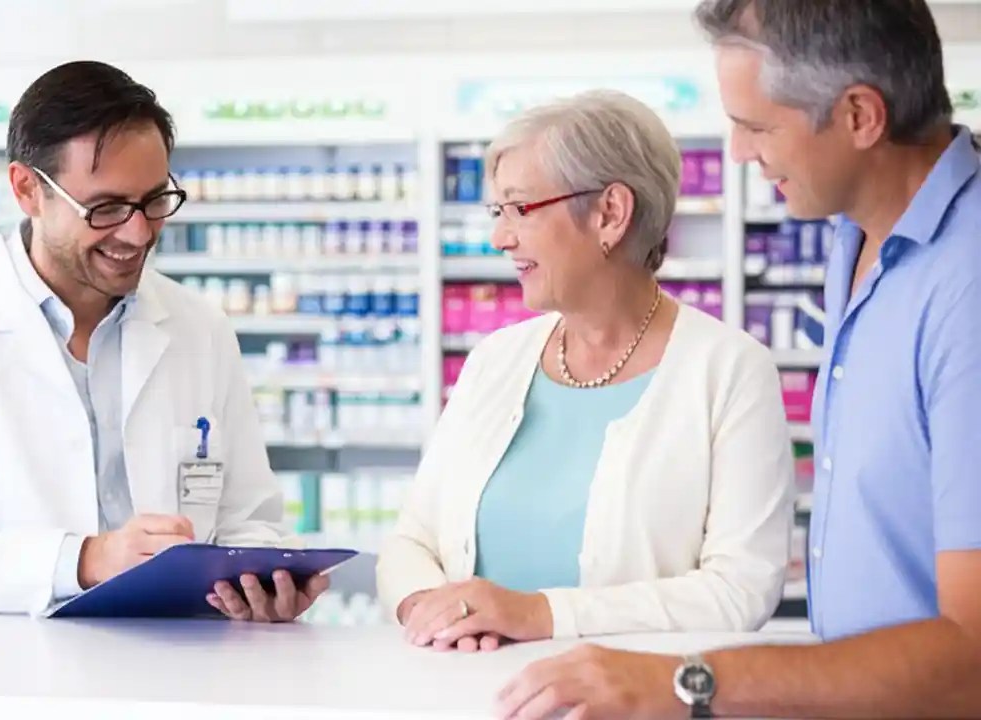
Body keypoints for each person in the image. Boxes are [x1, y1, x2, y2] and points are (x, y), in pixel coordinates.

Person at [494, 2, 981, 719]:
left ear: (858, 116)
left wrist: (688, 681)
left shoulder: (965, 284)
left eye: (756, 126)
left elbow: (971, 659)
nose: (738, 154)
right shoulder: (856, 244)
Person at [0, 61, 328, 621]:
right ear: (27, 189)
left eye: (154, 201)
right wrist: (82, 560)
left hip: (182, 675)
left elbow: (251, 518)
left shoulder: (201, 329)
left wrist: (260, 583)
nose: (138, 232)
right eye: (106, 208)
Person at [376, 89, 794, 654]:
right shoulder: (495, 361)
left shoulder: (728, 371)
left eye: (520, 209)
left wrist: (538, 614)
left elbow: (738, 591)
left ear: (610, 213)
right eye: (496, 213)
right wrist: (437, 612)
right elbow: (411, 541)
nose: (499, 237)